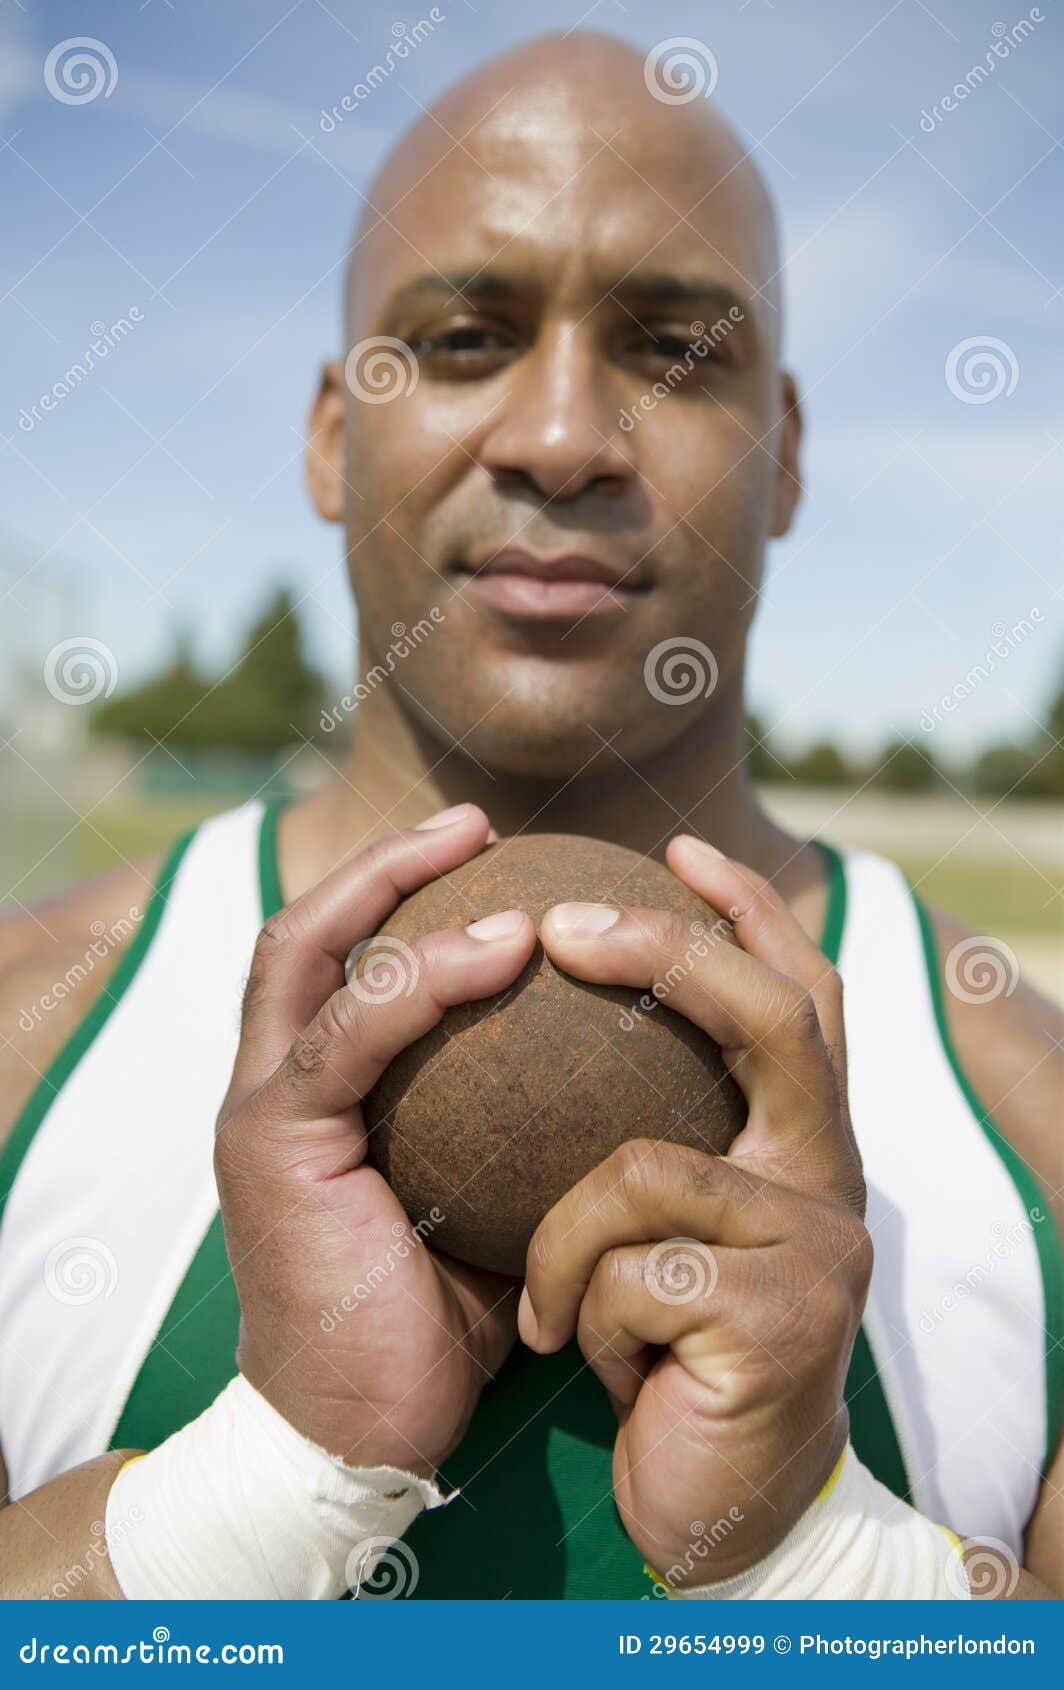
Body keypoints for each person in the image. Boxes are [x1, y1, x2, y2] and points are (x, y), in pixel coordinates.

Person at [0, 32, 1059, 1601]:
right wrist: (271, 1485)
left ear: (787, 454)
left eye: (673, 349)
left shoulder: (1033, 1119)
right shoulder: (26, 1035)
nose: (563, 438)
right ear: (325, 432)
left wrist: (812, 1555)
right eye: (464, 336)